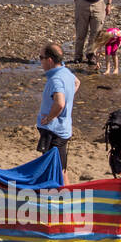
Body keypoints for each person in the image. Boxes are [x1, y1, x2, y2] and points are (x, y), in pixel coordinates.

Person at [36, 41, 79, 172]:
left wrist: (49, 118)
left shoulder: (56, 79)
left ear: (49, 60)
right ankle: (64, 191)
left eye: (41, 58)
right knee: (61, 168)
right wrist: (69, 95)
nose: (40, 61)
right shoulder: (65, 71)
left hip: (54, 132)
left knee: (55, 171)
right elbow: (77, 82)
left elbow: (60, 103)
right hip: (62, 129)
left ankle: (59, 192)